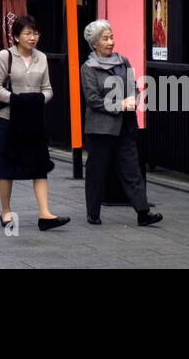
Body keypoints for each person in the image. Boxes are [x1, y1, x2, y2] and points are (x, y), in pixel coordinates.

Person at [0, 15, 68, 231]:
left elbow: (48, 89)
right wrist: (16, 100)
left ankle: (45, 214)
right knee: (7, 167)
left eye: (36, 33)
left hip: (34, 120)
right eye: (28, 33)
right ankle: (6, 211)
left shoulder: (41, 57)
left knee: (40, 165)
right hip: (9, 119)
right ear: (16, 37)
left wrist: (39, 99)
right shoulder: (5, 57)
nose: (33, 38)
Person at [79, 19, 162, 227]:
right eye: (105, 39)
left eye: (111, 37)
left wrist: (134, 97)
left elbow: (134, 85)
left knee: (131, 169)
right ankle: (93, 213)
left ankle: (143, 212)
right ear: (94, 43)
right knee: (97, 170)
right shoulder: (88, 67)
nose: (110, 42)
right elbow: (93, 100)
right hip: (100, 129)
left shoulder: (122, 61)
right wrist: (120, 104)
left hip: (125, 125)